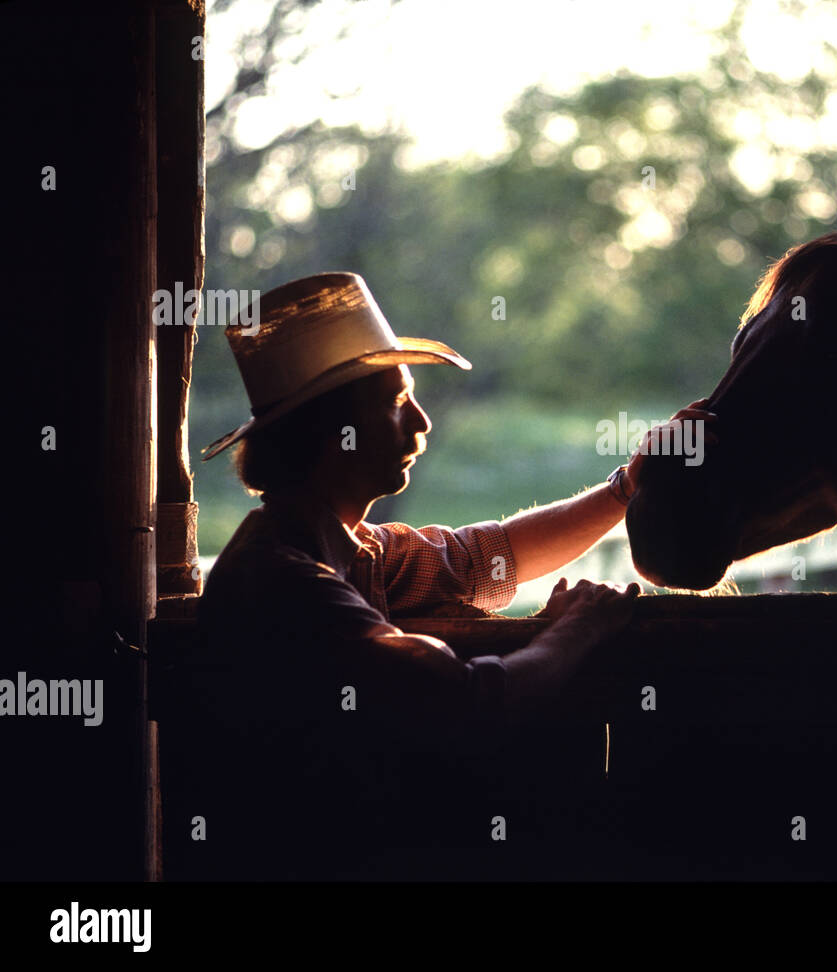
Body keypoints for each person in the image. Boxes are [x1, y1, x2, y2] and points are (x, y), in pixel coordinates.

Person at [178, 271, 713, 878]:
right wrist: (578, 631)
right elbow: (463, 702)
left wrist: (627, 487)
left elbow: (489, 557)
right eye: (397, 402)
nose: (423, 423)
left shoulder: (354, 549)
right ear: (334, 434)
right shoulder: (283, 581)